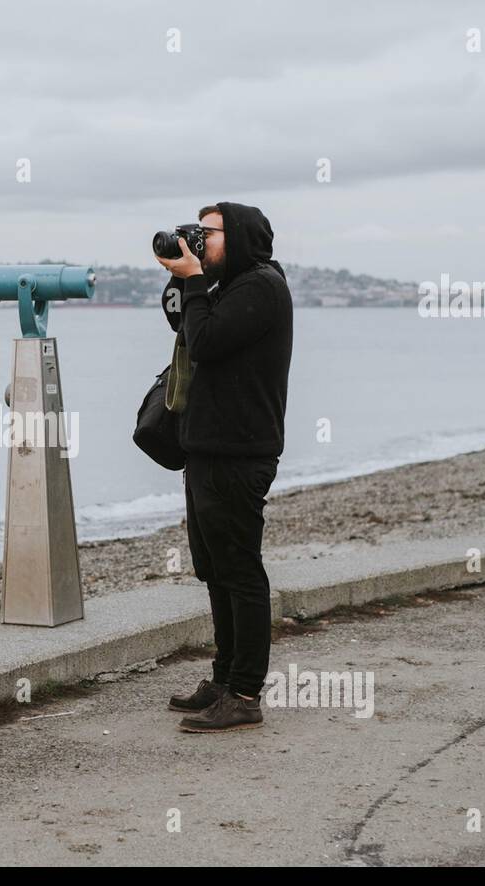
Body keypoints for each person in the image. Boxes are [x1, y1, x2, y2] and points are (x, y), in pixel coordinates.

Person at [154, 202, 293, 732]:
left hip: (239, 452)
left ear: (236, 236)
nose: (199, 240)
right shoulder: (228, 285)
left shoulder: (261, 287)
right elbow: (184, 325)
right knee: (214, 570)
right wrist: (183, 275)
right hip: (208, 449)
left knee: (240, 571)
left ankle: (245, 694)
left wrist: (194, 281)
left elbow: (207, 343)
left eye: (207, 233)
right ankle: (223, 679)